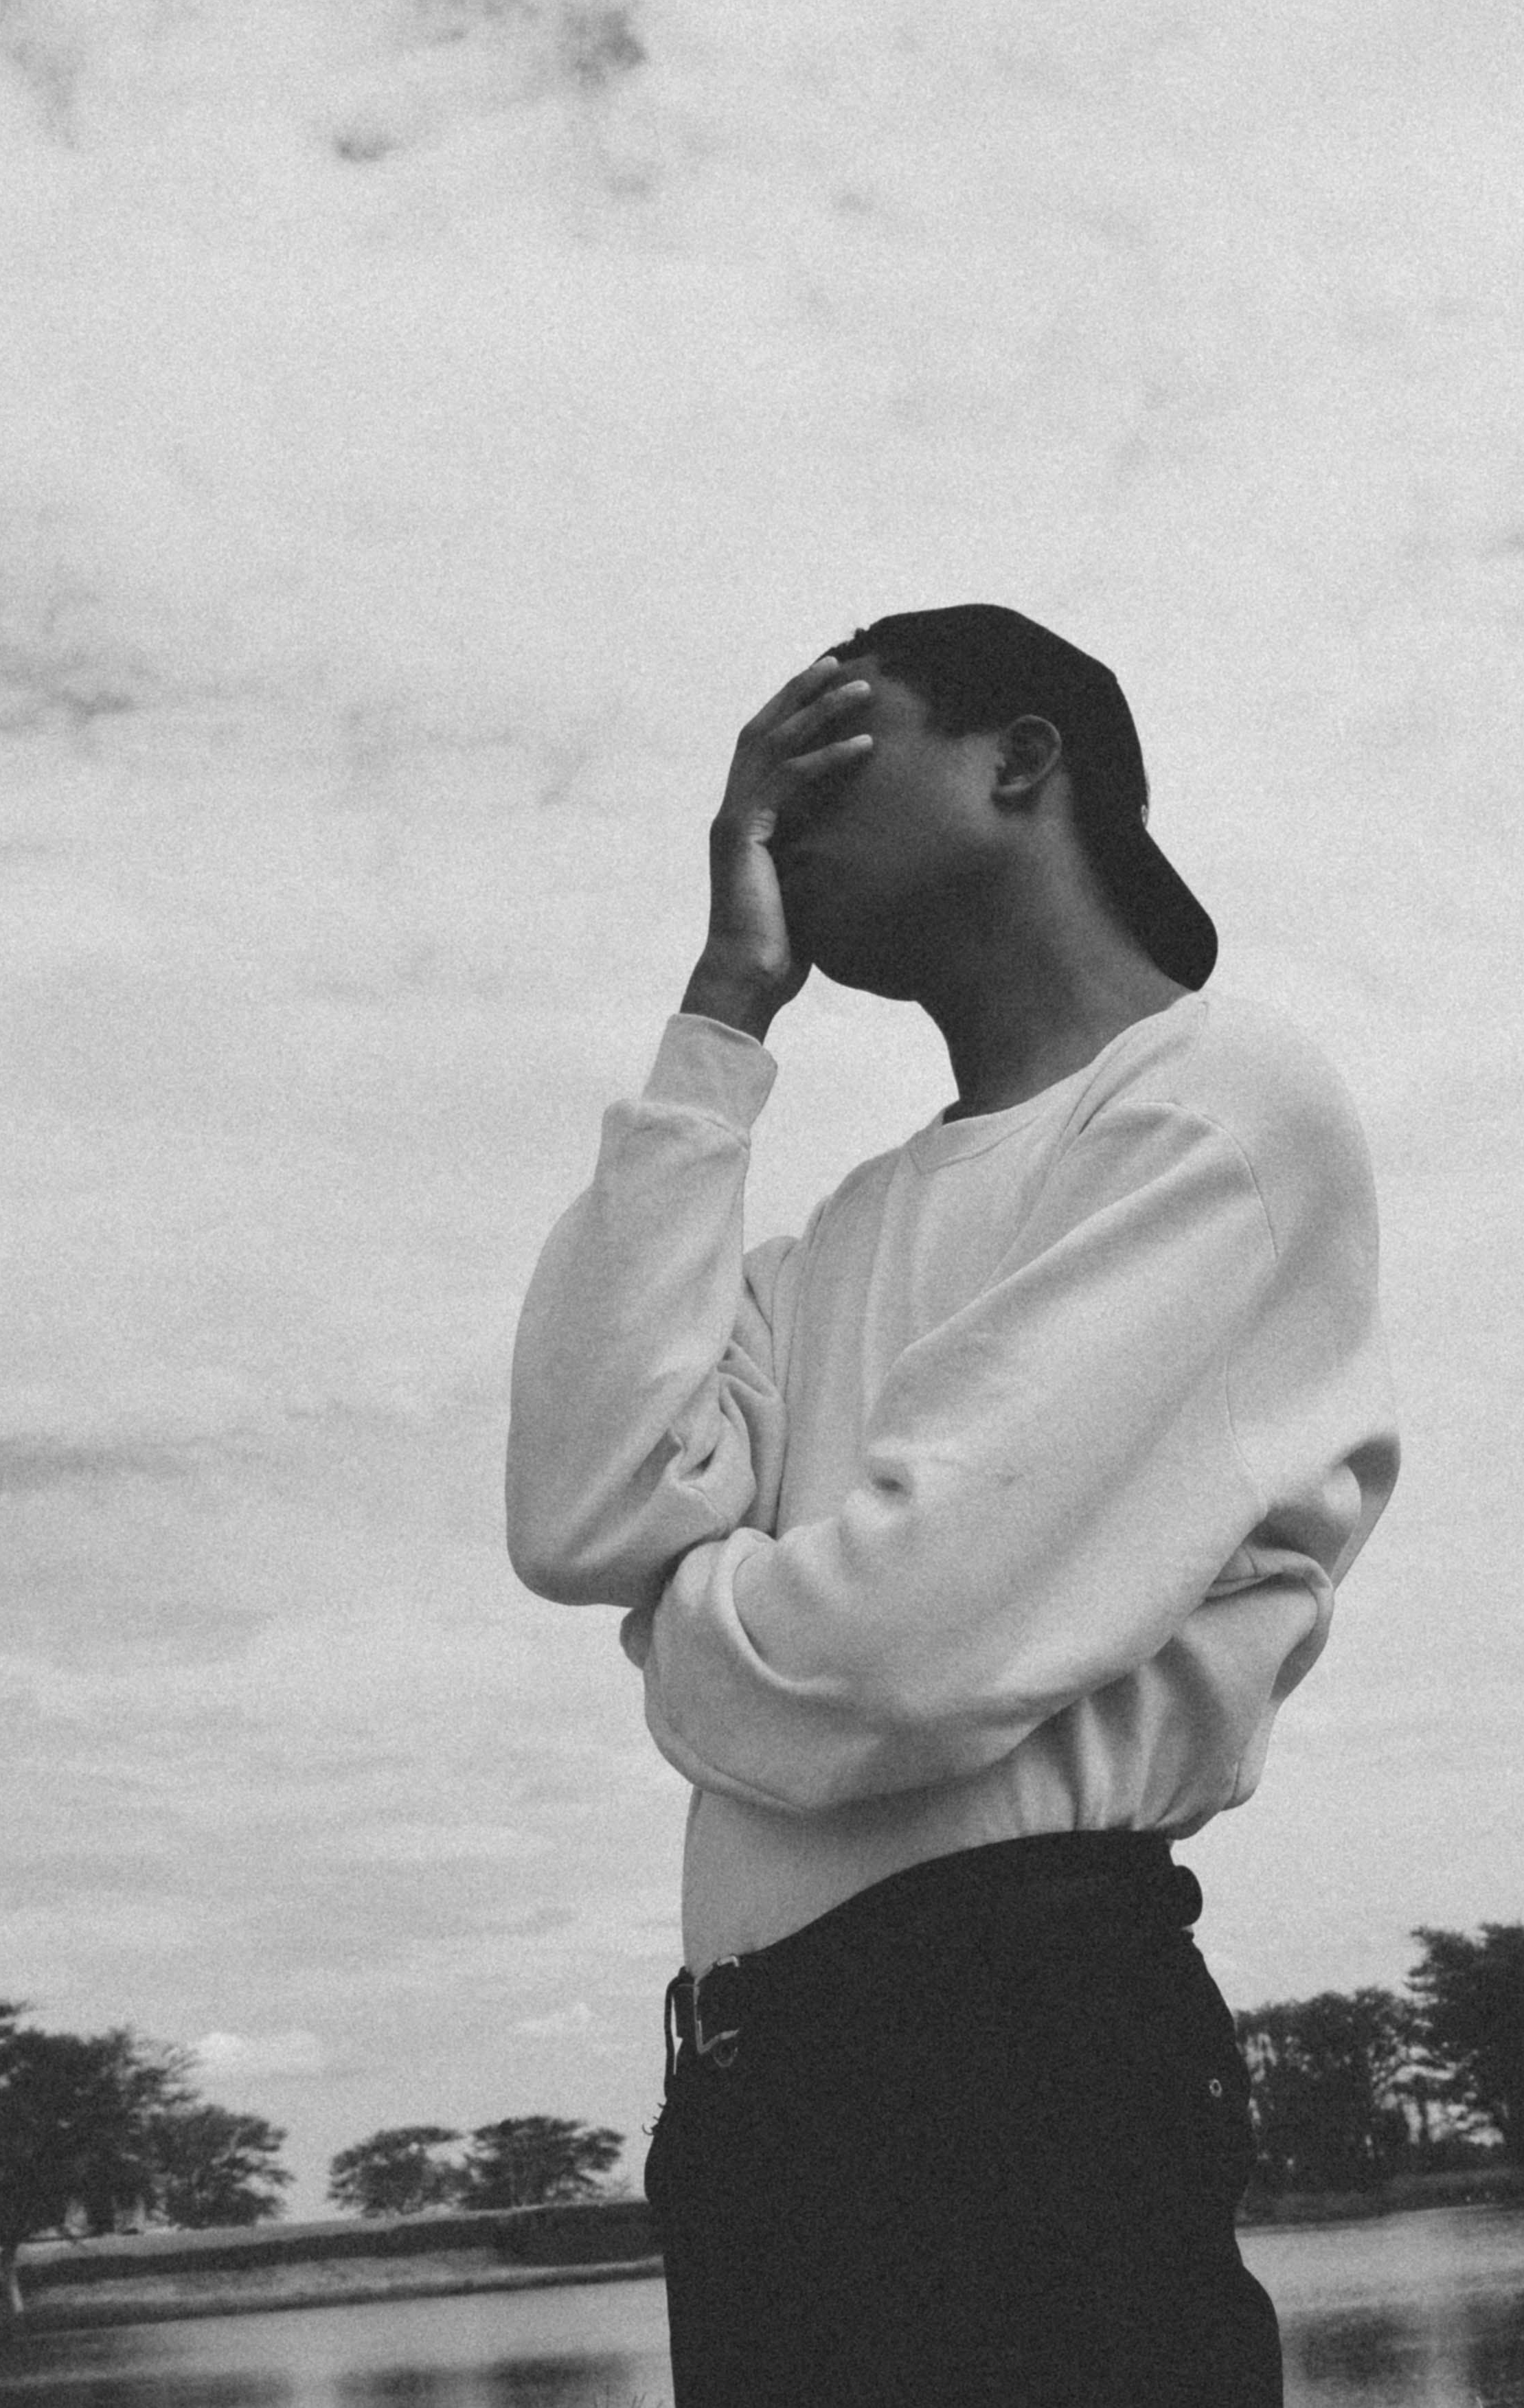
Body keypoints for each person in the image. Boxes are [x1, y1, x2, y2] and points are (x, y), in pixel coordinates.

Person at [505, 603, 1400, 2405]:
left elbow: (890, 1663)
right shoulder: (830, 1245)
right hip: (762, 2101)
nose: (764, 826)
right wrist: (719, 1018)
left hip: (1017, 2052)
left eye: (823, 755)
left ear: (1018, 759)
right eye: (742, 801)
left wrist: (681, 1644)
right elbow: (581, 1510)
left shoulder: (1218, 1101)